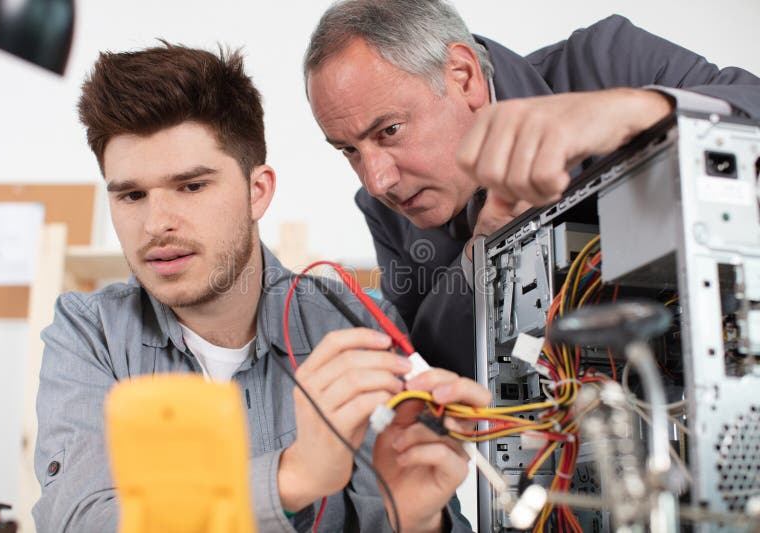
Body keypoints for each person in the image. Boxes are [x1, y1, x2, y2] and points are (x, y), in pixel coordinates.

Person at [32, 43, 490, 532]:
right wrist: (293, 475)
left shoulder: (356, 326)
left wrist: (419, 521)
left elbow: (407, 511)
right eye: (132, 195)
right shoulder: (88, 333)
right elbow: (80, 520)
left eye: (191, 186)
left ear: (258, 191)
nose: (155, 225)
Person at [303, 0, 760, 378]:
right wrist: (481, 258)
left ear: (464, 77)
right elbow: (430, 368)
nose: (376, 179)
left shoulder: (606, 64)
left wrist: (638, 110)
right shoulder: (384, 210)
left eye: (389, 131)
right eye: (348, 150)